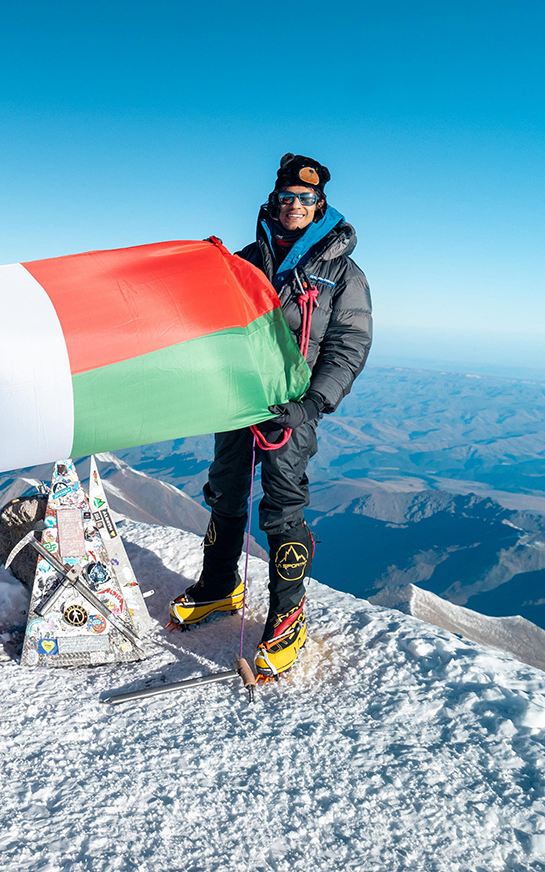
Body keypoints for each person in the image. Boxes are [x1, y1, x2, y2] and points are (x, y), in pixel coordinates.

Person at [171, 154, 373, 681]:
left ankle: (287, 617)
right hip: (237, 399)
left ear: (320, 204)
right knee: (226, 491)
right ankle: (219, 588)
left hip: (294, 406)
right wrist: (200, 265)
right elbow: (207, 319)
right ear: (274, 200)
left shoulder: (342, 274)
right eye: (287, 197)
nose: (294, 206)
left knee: (283, 508)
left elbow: (350, 344)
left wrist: (312, 404)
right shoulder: (242, 261)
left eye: (305, 199)